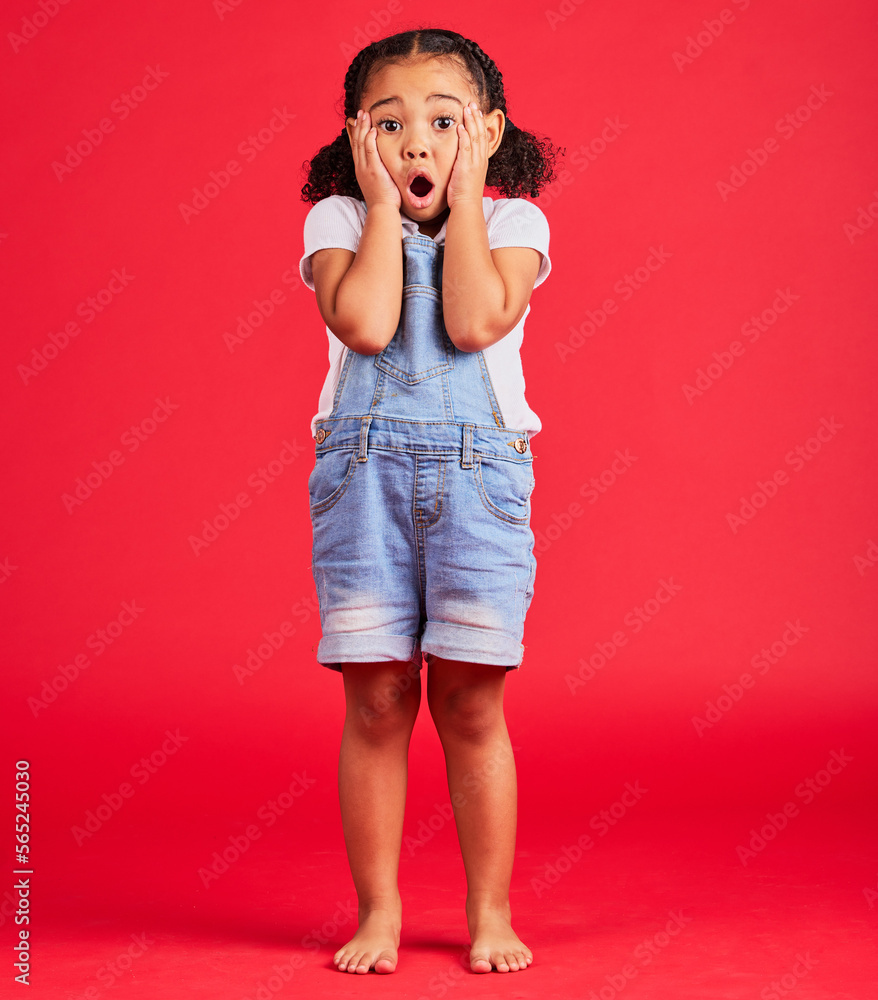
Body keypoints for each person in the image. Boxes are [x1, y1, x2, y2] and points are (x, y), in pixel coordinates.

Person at [298, 26, 561, 976]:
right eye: (390, 123)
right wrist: (377, 206)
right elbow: (367, 326)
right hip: (363, 476)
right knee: (375, 701)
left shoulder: (516, 226)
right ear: (357, 137)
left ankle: (489, 912)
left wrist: (467, 204)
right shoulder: (336, 222)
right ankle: (380, 912)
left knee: (471, 702)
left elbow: (472, 318)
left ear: (486, 133)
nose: (416, 143)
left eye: (444, 122)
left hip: (478, 479)